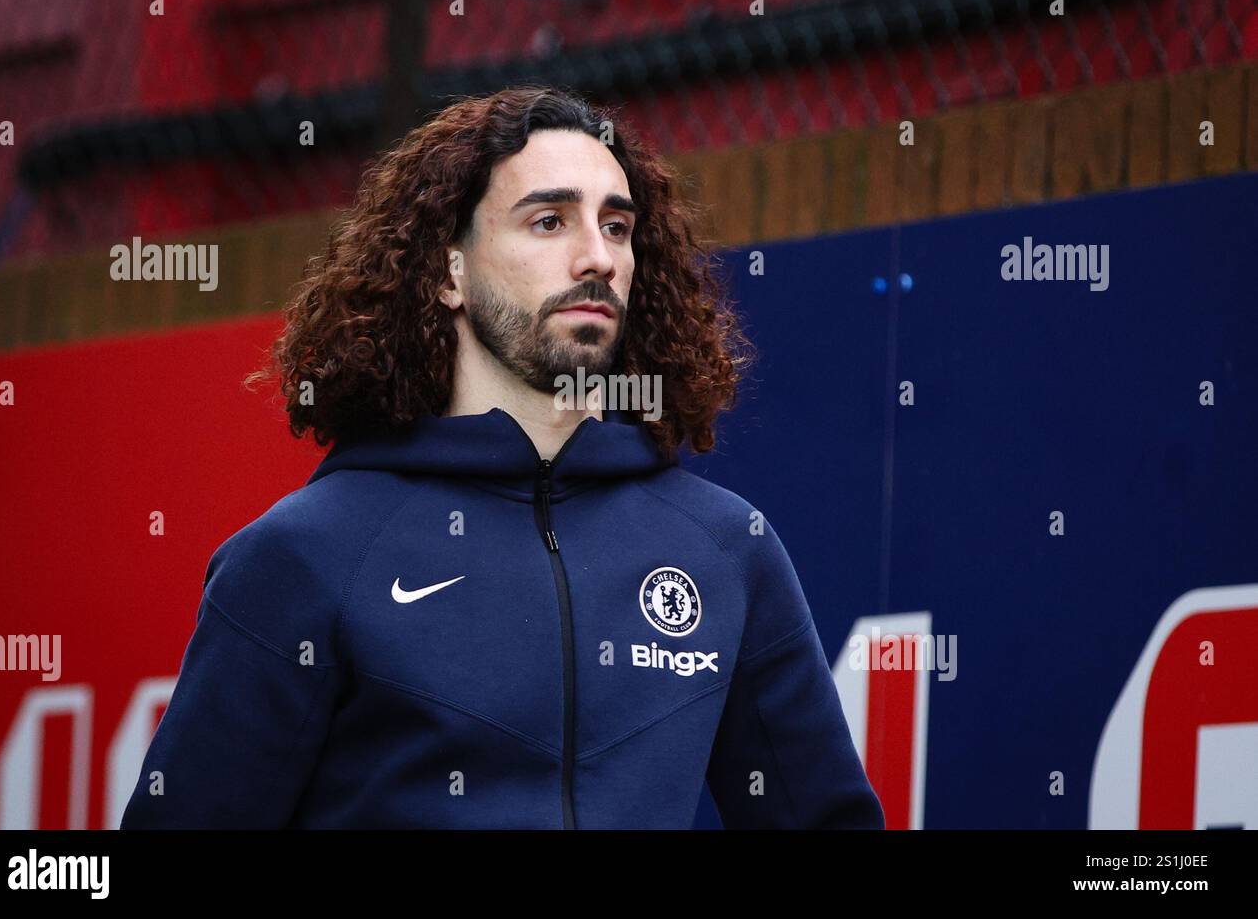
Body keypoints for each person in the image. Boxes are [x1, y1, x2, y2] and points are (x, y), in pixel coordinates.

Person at [120, 85, 884, 829]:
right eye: (548, 221)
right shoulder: (308, 554)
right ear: (449, 270)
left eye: (617, 228)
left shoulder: (725, 548)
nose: (597, 258)